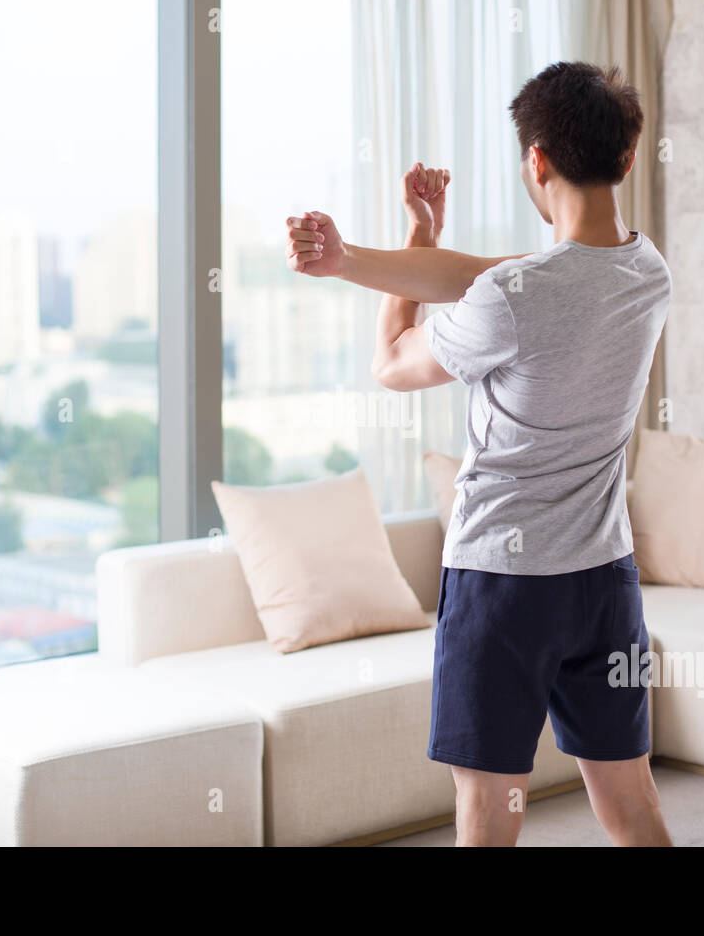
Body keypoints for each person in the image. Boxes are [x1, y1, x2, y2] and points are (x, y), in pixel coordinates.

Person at [284, 62, 673, 847]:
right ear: (628, 157)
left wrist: (389, 246)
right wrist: (377, 251)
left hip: (503, 584)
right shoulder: (648, 273)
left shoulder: (512, 296)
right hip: (605, 581)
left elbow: (393, 361)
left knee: (488, 818)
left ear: (535, 159)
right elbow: (508, 278)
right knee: (631, 808)